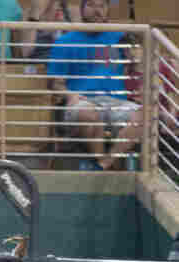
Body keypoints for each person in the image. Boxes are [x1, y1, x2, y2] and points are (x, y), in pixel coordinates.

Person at [46, 0, 141, 171]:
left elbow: (137, 65)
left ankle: (103, 164)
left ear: (107, 11)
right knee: (89, 114)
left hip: (115, 102)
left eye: (102, 6)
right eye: (91, 5)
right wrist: (70, 96)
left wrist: (135, 54)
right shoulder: (64, 42)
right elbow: (55, 84)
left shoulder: (120, 38)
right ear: (82, 10)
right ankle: (101, 161)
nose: (97, 10)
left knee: (145, 116)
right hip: (83, 101)